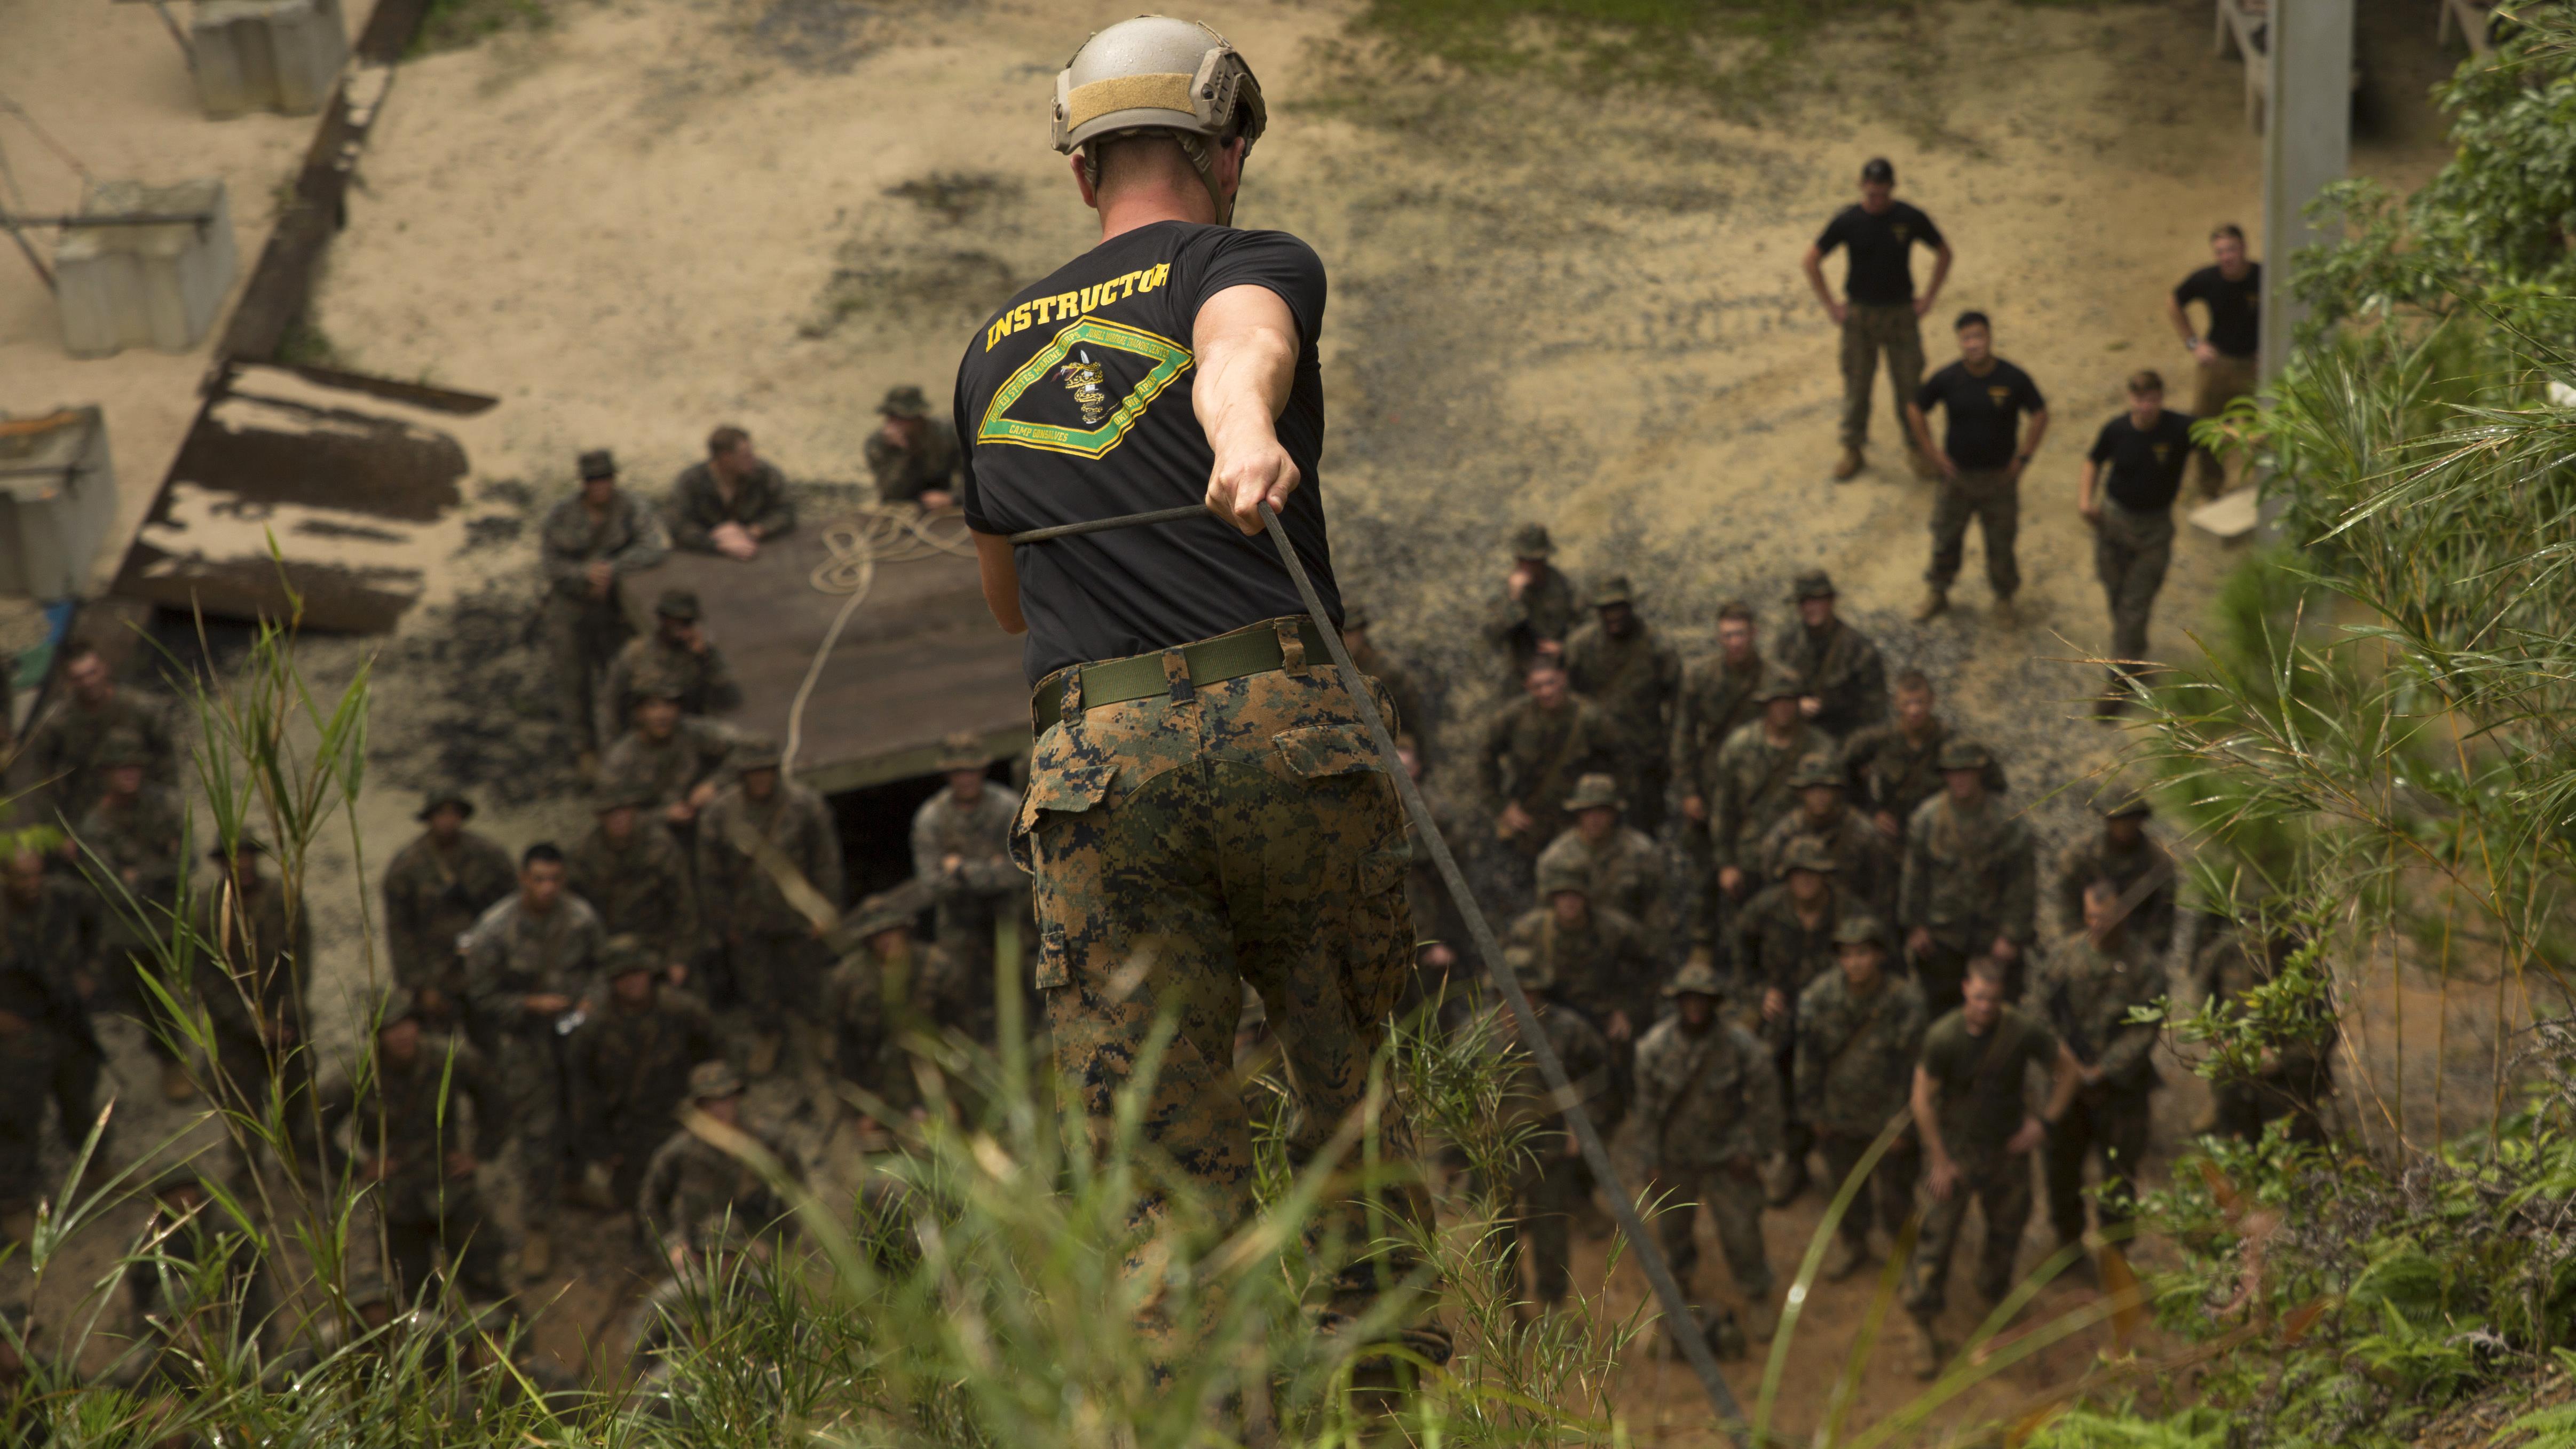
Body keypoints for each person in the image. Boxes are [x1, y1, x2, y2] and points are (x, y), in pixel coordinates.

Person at [953, 14, 1436, 1368]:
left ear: (1080, 170)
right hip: (1281, 727)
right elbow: (1242, 346)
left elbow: (1006, 602)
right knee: (1349, 1089)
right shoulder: (1245, 256)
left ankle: (1207, 1396)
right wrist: (1239, 436)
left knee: (1158, 1156)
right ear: (1228, 148)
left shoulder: (990, 350)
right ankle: (1388, 1385)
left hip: (1097, 764)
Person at [1903, 957, 2082, 1376]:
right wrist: (1940, 1161)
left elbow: (2067, 1068)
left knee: (2008, 1228)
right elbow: (1921, 1100)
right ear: (1966, 988)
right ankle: (1923, 1320)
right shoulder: (1944, 1036)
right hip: (1956, 1151)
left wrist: (2044, 1124)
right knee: (1936, 1236)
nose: (1985, 1006)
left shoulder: (2020, 1030)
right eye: (1979, 997)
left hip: (2007, 1149)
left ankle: (1993, 1299)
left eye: (1994, 1000)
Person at [461, 843, 605, 1279]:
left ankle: (575, 1180)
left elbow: (602, 968)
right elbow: (481, 997)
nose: (547, 888)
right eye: (539, 879)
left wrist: (590, 1004)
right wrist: (529, 1004)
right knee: (538, 1130)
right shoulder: (494, 930)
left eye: (555, 880)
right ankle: (538, 1224)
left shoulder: (581, 919)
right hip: (524, 1042)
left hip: (575, 1035)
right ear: (523, 878)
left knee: (579, 1111)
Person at [320, 986, 509, 1305]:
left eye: (407, 1024)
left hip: (452, 1188)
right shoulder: (359, 1075)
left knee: (485, 1284)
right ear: (377, 1036)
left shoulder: (449, 1057)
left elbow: (495, 1099)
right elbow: (312, 1131)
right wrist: (355, 1169)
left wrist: (479, 1152)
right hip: (397, 1201)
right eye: (390, 1029)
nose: (402, 1036)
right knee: (415, 1299)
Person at [1635, 955, 1782, 1338]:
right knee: (1674, 1230)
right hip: (1675, 1158)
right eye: (1688, 998)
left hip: (1727, 1157)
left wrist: (1752, 1149)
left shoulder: (1739, 1045)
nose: (1696, 1006)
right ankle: (1679, 1283)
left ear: (1715, 1001)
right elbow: (1646, 1109)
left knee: (1742, 1230)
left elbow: (1766, 1096)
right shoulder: (1654, 1047)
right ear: (1678, 1001)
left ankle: (1756, 1290)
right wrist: (1650, 1160)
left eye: (1704, 998)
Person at [1483, 946, 1618, 1312]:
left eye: (1529, 991)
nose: (1521, 1000)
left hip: (1551, 1150)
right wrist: (1455, 1154)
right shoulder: (1477, 1034)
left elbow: (1603, 1076)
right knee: (1498, 1237)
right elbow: (1454, 1095)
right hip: (1496, 1153)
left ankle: (1553, 1307)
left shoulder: (1568, 1029)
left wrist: (1584, 1124)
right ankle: (1509, 1308)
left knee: (1551, 1234)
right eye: (1511, 991)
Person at [697, 739, 843, 1078]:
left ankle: (821, 1031)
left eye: (765, 771)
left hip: (798, 911)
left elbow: (826, 862)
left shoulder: (805, 804)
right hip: (747, 916)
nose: (760, 779)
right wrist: (723, 922)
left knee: (811, 979)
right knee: (756, 985)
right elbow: (710, 875)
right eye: (753, 772)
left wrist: (827, 910)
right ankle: (768, 1034)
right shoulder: (720, 814)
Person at [2039, 880, 2166, 1272]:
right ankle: (2068, 1247)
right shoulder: (2064, 956)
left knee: (2119, 1175)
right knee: (2061, 1167)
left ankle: (2116, 1257)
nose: (2098, 924)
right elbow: (2043, 1014)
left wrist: (2104, 1070)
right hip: (2068, 1086)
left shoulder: (2145, 966)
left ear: (2123, 915)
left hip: (2121, 1090)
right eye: (2091, 916)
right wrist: (2070, 1066)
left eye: (2106, 917)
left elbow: (2147, 1027)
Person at [1802, 156, 1952, 482]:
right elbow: (1812, 260)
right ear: (1861, 187)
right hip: (1860, 318)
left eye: (1882, 193)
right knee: (1857, 386)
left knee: (1910, 388)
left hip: (1901, 315)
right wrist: (1831, 306)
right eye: (1871, 193)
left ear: (1892, 188)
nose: (1877, 200)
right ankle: (1852, 449)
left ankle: (1918, 450)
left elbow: (1944, 252)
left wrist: (1929, 298)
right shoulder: (1848, 221)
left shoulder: (1909, 218)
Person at [1797, 914, 1927, 1281]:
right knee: (1846, 1192)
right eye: (1847, 954)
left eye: (1863, 953)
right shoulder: (1819, 997)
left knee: (1896, 1198)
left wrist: (1908, 1123)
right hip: (1839, 1116)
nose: (1854, 962)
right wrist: (1813, 1113)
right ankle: (1855, 1246)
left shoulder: (1905, 1001)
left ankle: (1907, 1260)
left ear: (1880, 955)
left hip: (1890, 1120)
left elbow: (1916, 1069)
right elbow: (1808, 1059)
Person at [1904, 312, 2050, 624]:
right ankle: (1938, 593)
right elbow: (1915, 407)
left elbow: (2040, 413)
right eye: (1967, 338)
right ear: (1960, 341)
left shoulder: (2012, 378)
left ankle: (2004, 600)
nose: (1974, 344)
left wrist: (2023, 458)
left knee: (2001, 542)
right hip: (1957, 477)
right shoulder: (1949, 378)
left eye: (1979, 337)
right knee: (1945, 537)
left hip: (2000, 478)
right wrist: (1931, 453)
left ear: (1989, 337)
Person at [70, 734, 188, 1100]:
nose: (129, 773)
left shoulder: (166, 804)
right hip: (131, 932)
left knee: (212, 980)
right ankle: (173, 1062)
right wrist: (157, 866)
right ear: (106, 773)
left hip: (177, 915)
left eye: (134, 765)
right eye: (121, 767)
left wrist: (138, 871)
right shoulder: (94, 827)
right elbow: (117, 890)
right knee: (153, 1003)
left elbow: (186, 860)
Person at [538, 449, 670, 774]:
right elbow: (552, 565)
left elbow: (654, 546)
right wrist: (585, 575)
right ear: (584, 484)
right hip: (571, 606)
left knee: (623, 675)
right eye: (594, 481)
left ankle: (629, 742)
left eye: (606, 479)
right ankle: (584, 749)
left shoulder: (630, 507)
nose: (601, 487)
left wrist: (611, 569)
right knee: (573, 680)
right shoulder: (561, 516)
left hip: (615, 607)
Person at [1732, 837, 1847, 1205]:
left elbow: (1877, 957)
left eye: (1814, 873)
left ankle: (1836, 1159)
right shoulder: (1764, 909)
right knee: (1773, 1076)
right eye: (1799, 874)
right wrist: (1757, 991)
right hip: (1780, 1015)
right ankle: (1787, 1155)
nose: (1806, 881)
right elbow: (1740, 950)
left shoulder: (1849, 912)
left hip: (1833, 1018)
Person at [567, 939, 720, 1213]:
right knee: (642, 1204)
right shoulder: (595, 1027)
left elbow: (716, 1059)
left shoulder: (684, 1011)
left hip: (684, 1119)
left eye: (637, 973)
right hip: (629, 1131)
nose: (632, 982)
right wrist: (600, 1146)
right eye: (623, 976)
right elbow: (583, 1090)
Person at [0, 844, 106, 1240]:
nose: (31, 885)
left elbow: (98, 923)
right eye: (21, 877)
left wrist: (89, 971)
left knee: (81, 1093)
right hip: (17, 1034)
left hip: (64, 1016)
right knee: (16, 1116)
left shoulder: (66, 896)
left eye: (36, 875)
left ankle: (98, 1165)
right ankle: (13, 1204)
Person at [2079, 370, 2196, 708]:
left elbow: (2217, 434)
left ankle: (2117, 685)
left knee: (2133, 606)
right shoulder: (2116, 430)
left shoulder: (2179, 429)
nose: (2146, 407)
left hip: (2154, 532)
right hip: (2114, 524)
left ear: (2161, 397)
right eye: (2140, 400)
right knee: (2118, 598)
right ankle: (2134, 661)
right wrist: (2085, 502)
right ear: (2130, 399)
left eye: (2153, 399)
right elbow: (2093, 460)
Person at [193, 838, 314, 1159]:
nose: (242, 865)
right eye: (234, 859)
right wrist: (252, 1024)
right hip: (234, 1031)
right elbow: (207, 981)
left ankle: (297, 1163)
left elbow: (300, 960)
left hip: (286, 1022)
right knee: (243, 1109)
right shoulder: (207, 911)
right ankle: (249, 1175)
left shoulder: (283, 898)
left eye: (247, 856)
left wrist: (283, 1016)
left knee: (296, 1099)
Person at [1898, 739, 2035, 1018]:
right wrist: (1915, 925)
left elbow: (2022, 883)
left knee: (2000, 1018)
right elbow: (1915, 876)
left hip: (1993, 940)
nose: (1959, 779)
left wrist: (2012, 934)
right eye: (1953, 772)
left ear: (1979, 773)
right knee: (1939, 1016)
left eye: (1966, 772)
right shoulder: (1927, 819)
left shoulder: (2009, 821)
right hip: (1942, 940)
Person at [908, 732, 1023, 1039]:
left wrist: (962, 870)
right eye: (959, 771)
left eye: (971, 770)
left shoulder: (1007, 808)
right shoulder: (932, 818)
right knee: (961, 997)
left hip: (1009, 921)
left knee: (1020, 991)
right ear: (948, 774)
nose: (966, 779)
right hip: (958, 925)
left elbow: (1021, 871)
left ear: (983, 770)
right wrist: (991, 869)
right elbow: (932, 883)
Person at [1477, 659, 1623, 892]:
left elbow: (1621, 761)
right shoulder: (1514, 718)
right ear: (1527, 686)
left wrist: (1604, 808)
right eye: (1537, 686)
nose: (1546, 692)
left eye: (1550, 683)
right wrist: (1501, 807)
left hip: (1577, 823)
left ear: (1563, 679)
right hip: (1529, 824)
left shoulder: (1589, 718)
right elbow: (1485, 758)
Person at [381, 787, 517, 1033]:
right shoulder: (407, 867)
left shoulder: (489, 856)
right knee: (440, 1050)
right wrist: (419, 986)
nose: (448, 820)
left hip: (484, 968)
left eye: (454, 813)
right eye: (441, 813)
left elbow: (512, 908)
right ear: (429, 818)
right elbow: (400, 931)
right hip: (436, 974)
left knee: (491, 1043)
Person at [1706, 672, 1829, 940]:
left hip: (1806, 861)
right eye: (1776, 701)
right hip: (1750, 858)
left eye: (1789, 701)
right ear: (1764, 704)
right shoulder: (1739, 746)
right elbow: (1723, 810)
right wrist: (1726, 864)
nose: (1783, 708)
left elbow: (1833, 808)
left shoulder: (1821, 748)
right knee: (1748, 935)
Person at [2192, 912, 2333, 1143]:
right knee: (2234, 1147)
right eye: (2252, 921)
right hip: (2236, 1077)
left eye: (2268, 921)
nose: (2259, 931)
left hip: (2290, 1086)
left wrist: (2281, 1059)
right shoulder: (2226, 952)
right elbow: (2202, 995)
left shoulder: (2306, 964)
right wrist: (2219, 1040)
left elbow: (2326, 1033)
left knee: (2293, 1152)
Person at [1502, 857, 1662, 1056]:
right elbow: (1505, 976)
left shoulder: (1615, 929)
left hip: (1603, 1019)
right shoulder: (1529, 931)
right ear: (1553, 898)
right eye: (1563, 895)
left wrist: (1627, 1010)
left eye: (1576, 895)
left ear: (1587, 898)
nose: (1570, 902)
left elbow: (1651, 965)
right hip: (1547, 1018)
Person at [637, 1061, 789, 1268]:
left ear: (736, 1098)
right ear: (698, 1105)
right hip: (695, 1258)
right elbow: (651, 1202)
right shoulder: (679, 1152)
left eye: (725, 1099)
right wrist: (670, 1247)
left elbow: (796, 1199)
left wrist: (771, 1243)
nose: (719, 1109)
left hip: (753, 1257)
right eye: (710, 1102)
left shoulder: (765, 1144)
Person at [1564, 575, 1682, 834]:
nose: (1613, 615)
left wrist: (1671, 753)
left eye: (1618, 607)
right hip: (1593, 758)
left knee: (1644, 832)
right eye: (1606, 609)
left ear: (1630, 607)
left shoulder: (1657, 647)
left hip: (1643, 757)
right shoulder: (1580, 646)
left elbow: (1678, 706)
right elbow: (1566, 699)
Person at [18, 640, 178, 826]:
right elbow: (43, 782)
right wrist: (59, 831)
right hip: (87, 818)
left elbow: (168, 765)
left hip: (144, 813)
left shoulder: (142, 709)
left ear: (105, 668)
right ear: (68, 682)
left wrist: (170, 814)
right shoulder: (57, 724)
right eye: (79, 678)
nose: (89, 682)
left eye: (92, 673)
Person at [1673, 600, 1768, 911]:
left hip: (1759, 783)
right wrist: (1688, 791)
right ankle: (1704, 942)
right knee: (1706, 866)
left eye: (1740, 634)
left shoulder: (1776, 677)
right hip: (1711, 782)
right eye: (1727, 636)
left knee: (1757, 866)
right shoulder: (1700, 677)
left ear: (1754, 633)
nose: (1734, 642)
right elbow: (1683, 736)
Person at [566, 782, 702, 993]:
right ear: (600, 817)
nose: (619, 819)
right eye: (611, 813)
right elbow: (573, 910)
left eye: (624, 811)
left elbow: (683, 905)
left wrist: (679, 959)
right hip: (607, 949)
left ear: (634, 811)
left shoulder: (659, 845)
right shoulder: (584, 855)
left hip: (657, 946)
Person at [1839, 670, 2001, 846]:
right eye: (1907, 703)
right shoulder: (1878, 739)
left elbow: (1995, 781)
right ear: (1896, 704)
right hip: (1891, 837)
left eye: (1920, 702)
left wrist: (1966, 814)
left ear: (1932, 701)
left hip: (1941, 837)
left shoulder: (1951, 741)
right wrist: (1870, 811)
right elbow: (1840, 769)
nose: (1914, 710)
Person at [821, 893, 942, 1121]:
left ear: (905, 931)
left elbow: (960, 1033)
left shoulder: (936, 968)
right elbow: (840, 1048)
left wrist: (953, 1099)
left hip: (933, 1075)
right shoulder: (847, 980)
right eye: (877, 936)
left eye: (891, 931)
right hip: (875, 1081)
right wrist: (861, 1108)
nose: (886, 941)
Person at [2164, 224, 2261, 495]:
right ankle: (2210, 488)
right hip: (2217, 364)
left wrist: (2271, 350)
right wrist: (2193, 344)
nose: (2226, 257)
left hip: (2255, 367)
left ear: (2243, 248)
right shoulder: (2207, 280)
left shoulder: (2263, 277)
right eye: (2220, 252)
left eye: (2231, 249)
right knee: (2208, 430)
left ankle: (2265, 487)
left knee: (2265, 429)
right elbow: (2174, 301)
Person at [1534, 773, 1675, 952]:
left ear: (1614, 814)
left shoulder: (1642, 853)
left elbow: (1657, 911)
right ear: (1578, 814)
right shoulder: (1555, 858)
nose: (1595, 819)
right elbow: (1544, 916)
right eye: (1588, 811)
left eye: (1602, 811)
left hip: (1627, 950)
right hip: (1572, 951)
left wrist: (1652, 956)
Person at [1755, 752, 1898, 925]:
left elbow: (1882, 890)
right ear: (1801, 793)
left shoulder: (1865, 834)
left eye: (1826, 789)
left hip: (1853, 925)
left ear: (1837, 791)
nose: (1819, 796)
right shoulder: (1782, 837)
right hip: (1799, 923)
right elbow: (1773, 891)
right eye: (1812, 789)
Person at [2052, 788, 2176, 960]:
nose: (2125, 826)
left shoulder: (2158, 865)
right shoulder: (2081, 857)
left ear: (2141, 819)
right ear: (2109, 821)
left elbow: (2162, 922)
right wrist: (2079, 945)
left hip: (2137, 953)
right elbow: (2067, 908)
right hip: (2086, 946)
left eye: (2131, 818)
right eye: (2119, 819)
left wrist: (2143, 954)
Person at [600, 687, 738, 835]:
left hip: (701, 821)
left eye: (669, 705)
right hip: (651, 838)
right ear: (639, 713)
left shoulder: (695, 734)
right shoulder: (621, 759)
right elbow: (610, 818)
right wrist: (664, 815)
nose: (662, 715)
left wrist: (714, 784)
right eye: (653, 706)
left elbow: (746, 751)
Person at [600, 588, 744, 730]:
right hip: (645, 739)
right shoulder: (636, 653)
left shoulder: (703, 655)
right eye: (675, 620)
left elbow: (731, 701)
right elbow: (611, 702)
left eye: (686, 622)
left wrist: (706, 658)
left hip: (689, 737)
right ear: (663, 619)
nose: (680, 628)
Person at [1773, 571, 1887, 740]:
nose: (1811, 608)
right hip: (1795, 736)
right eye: (1805, 602)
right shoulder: (1786, 645)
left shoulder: (1859, 649)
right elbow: (1770, 691)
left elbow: (1875, 709)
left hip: (1843, 737)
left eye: (1817, 601)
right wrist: (1795, 705)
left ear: (1831, 601)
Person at [666, 425, 795, 560]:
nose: (752, 459)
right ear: (726, 458)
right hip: (704, 556)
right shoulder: (692, 481)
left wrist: (752, 531)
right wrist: (716, 542)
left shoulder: (763, 474)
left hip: (756, 550)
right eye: (745, 455)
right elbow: (676, 524)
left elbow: (785, 511)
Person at [1482, 524, 1581, 687]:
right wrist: (1514, 600)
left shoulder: (1565, 587)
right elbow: (1493, 637)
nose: (1526, 566)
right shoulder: (1506, 593)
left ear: (1544, 560)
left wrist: (1565, 648)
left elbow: (1588, 625)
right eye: (1522, 560)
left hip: (1561, 671)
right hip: (1522, 676)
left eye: (1533, 561)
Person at [1340, 604, 1433, 765]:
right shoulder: (1333, 668)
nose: (1346, 639)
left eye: (1350, 632)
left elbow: (1411, 719)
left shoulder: (1386, 672)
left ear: (1362, 632)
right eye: (1341, 633)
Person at [865, 385, 963, 509]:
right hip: (901, 506)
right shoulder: (878, 444)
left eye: (903, 418)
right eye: (892, 417)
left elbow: (972, 473)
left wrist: (954, 498)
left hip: (943, 502)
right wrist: (902, 453)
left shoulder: (945, 435)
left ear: (919, 418)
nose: (896, 423)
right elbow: (892, 492)